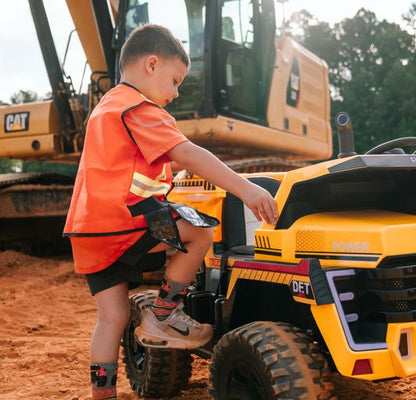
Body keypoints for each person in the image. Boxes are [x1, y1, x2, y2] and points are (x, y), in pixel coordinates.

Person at [63, 24, 278, 400]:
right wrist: (245, 188)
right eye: (175, 80)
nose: (175, 93)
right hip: (121, 221)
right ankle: (163, 314)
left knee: (111, 318)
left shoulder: (107, 107)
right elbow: (189, 152)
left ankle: (103, 394)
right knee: (200, 233)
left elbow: (132, 166)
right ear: (151, 65)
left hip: (88, 233)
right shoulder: (140, 108)